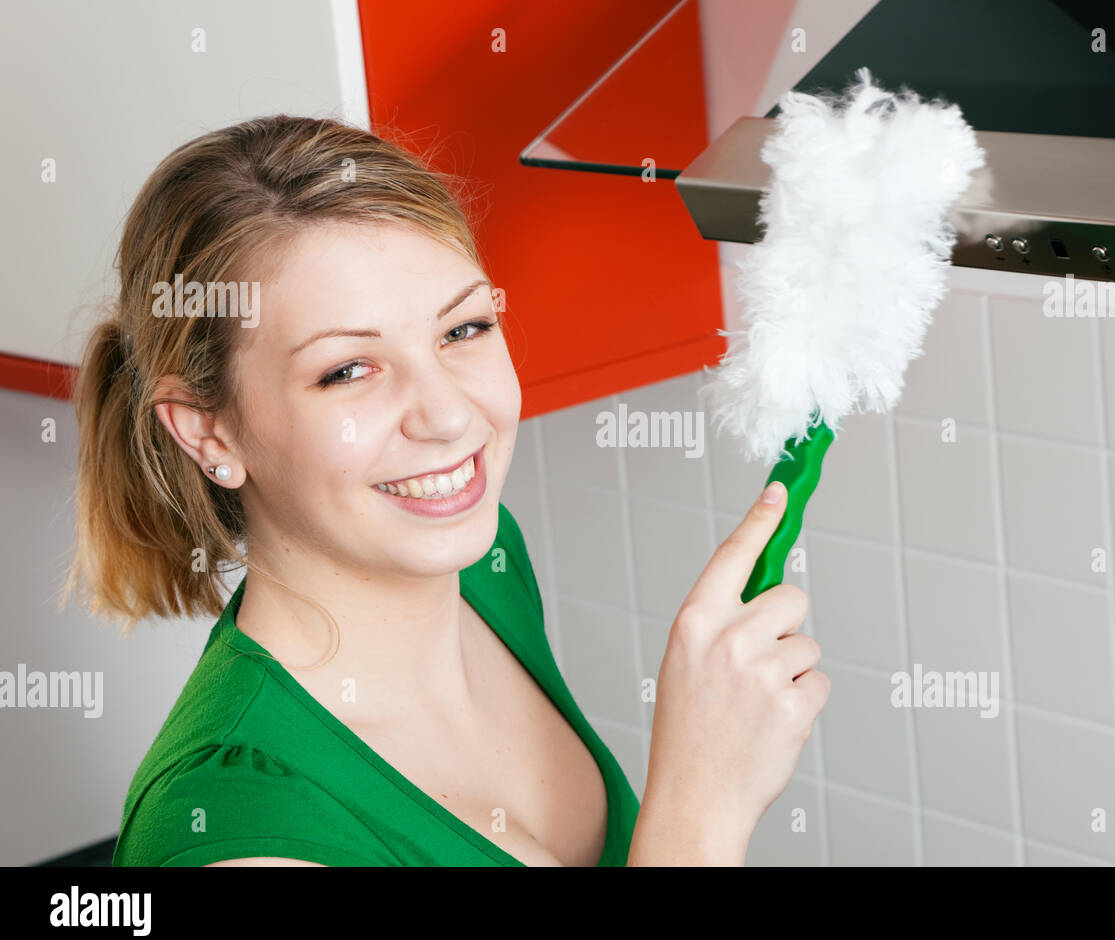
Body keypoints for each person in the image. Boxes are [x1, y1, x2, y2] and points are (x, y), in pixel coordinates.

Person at [63, 114, 830, 867]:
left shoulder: (482, 566)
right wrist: (701, 810)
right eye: (348, 370)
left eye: (462, 329)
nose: (450, 414)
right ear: (207, 432)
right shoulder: (243, 833)